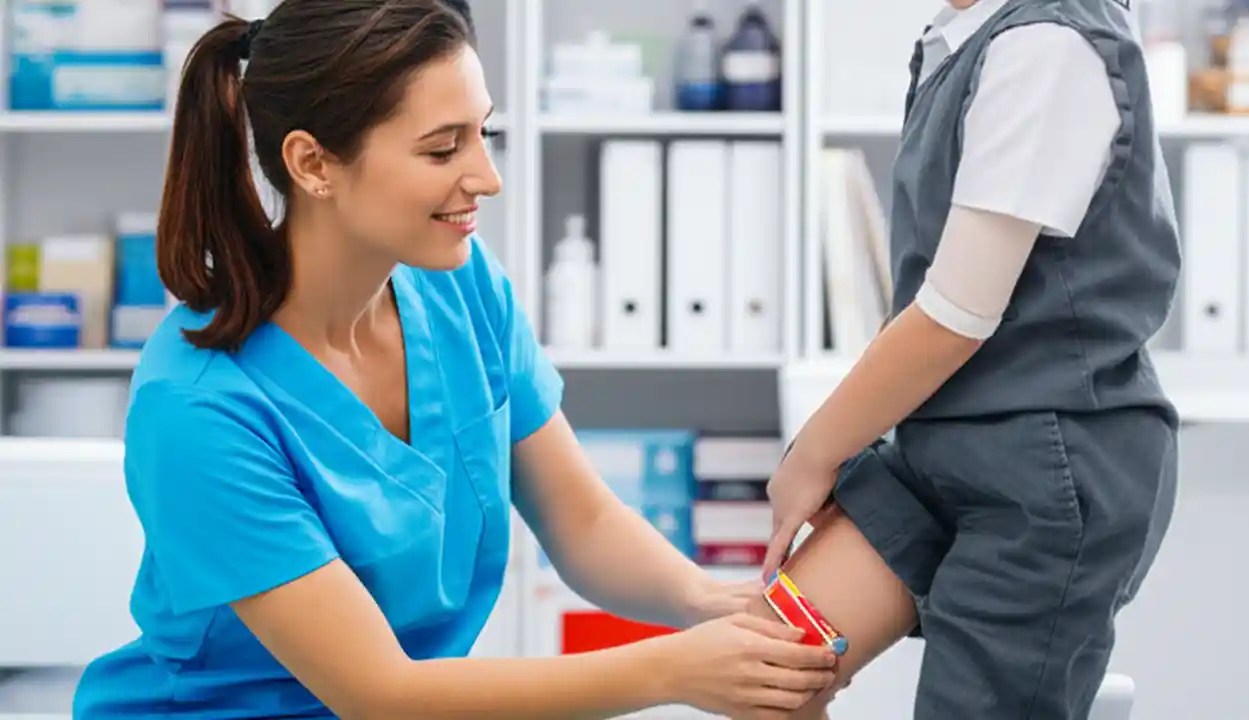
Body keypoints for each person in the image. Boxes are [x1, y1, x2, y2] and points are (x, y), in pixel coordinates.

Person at [71, 2, 839, 718]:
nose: (487, 178)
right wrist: (674, 671)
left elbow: (584, 521)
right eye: (443, 148)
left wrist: (707, 602)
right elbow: (380, 693)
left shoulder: (459, 286)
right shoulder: (199, 406)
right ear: (312, 164)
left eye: (484, 135)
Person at [749, 0, 1180, 718]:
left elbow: (956, 315)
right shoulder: (964, 39)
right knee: (763, 673)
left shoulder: (1048, 45)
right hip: (938, 450)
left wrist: (814, 454)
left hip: (1043, 474)